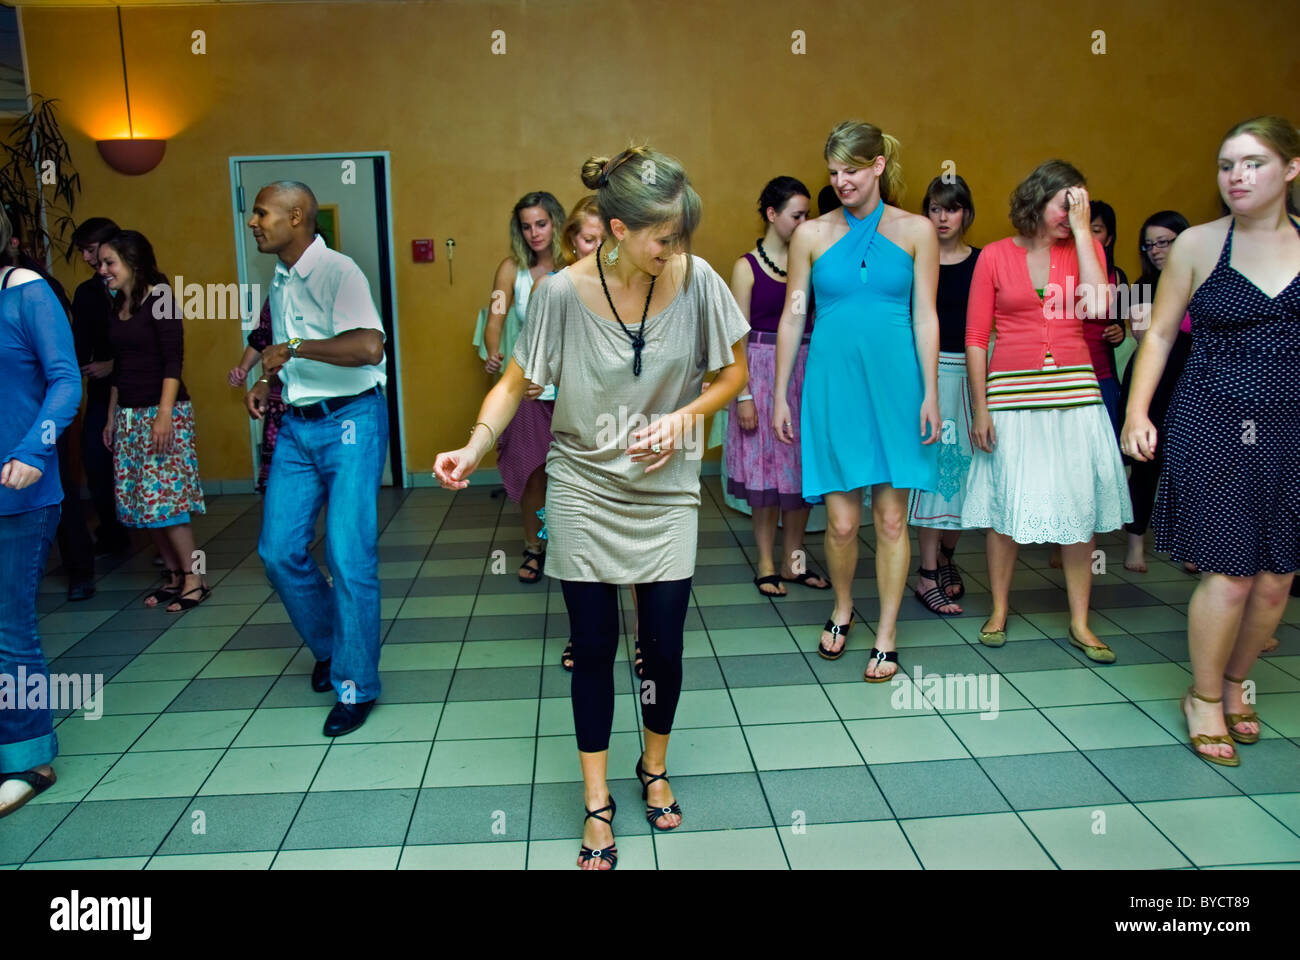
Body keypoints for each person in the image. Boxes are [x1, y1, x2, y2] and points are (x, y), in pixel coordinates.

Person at [435, 145, 749, 870]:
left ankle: (655, 764)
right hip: (583, 485)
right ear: (613, 229)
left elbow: (733, 372)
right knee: (595, 647)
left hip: (666, 490)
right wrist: (475, 446)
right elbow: (515, 384)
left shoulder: (697, 280)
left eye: (680, 235)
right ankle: (597, 799)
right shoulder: (560, 295)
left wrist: (683, 419)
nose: (675, 249)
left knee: (663, 645)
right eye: (662, 236)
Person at [1122, 116, 1300, 767]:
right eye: (1227, 164)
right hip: (1215, 419)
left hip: (1293, 428)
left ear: (1291, 169)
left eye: (1253, 162)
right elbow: (1162, 333)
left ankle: (1234, 682)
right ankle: (1202, 696)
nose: (1237, 176)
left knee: (1277, 580)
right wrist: (1139, 411)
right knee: (1229, 575)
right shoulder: (1199, 245)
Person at [773, 121, 941, 681]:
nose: (840, 181)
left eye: (850, 170)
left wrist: (932, 394)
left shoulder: (918, 230)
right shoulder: (811, 235)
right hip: (831, 385)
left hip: (898, 386)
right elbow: (795, 314)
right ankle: (843, 607)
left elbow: (926, 314)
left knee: (892, 520)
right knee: (843, 524)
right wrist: (780, 393)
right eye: (832, 172)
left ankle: (887, 634)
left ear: (876, 167)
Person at [962, 160, 1131, 662]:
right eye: (1067, 203)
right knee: (1005, 507)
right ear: (1038, 199)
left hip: (1076, 397)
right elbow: (974, 339)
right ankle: (998, 608)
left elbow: (1101, 307)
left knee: (1079, 508)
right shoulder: (994, 256)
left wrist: (1083, 232)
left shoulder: (1087, 249)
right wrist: (980, 408)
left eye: (1083, 204)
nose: (1075, 212)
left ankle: (1081, 619)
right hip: (1011, 397)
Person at [245, 180, 389, 738]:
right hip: (299, 426)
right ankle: (334, 645)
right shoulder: (281, 277)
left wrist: (295, 350)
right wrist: (269, 379)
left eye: (262, 213)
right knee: (279, 551)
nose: (254, 222)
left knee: (349, 554)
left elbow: (369, 347)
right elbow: (287, 351)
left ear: (298, 216)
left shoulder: (338, 271)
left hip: (350, 420)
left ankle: (356, 685)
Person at [0, 208, 81, 819]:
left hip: (19, 491)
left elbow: (65, 381)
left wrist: (34, 447)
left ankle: (28, 755)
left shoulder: (26, 293)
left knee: (9, 626)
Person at [726, 176, 828, 597]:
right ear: (772, 215)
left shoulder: (813, 264)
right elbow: (735, 338)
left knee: (799, 475)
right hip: (760, 373)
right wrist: (745, 395)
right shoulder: (746, 267)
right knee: (764, 477)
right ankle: (766, 562)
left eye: (808, 215)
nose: (805, 223)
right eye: (797, 215)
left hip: (805, 373)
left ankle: (794, 560)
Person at [99, 231, 208, 613]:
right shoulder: (118, 301)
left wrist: (164, 416)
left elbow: (172, 359)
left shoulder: (159, 296)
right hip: (129, 414)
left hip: (163, 411)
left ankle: (196, 577)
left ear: (133, 263)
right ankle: (175, 576)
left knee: (170, 503)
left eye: (109, 263)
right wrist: (113, 414)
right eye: (101, 263)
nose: (102, 270)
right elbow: (121, 365)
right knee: (146, 505)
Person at [477, 192, 567, 584]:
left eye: (541, 224)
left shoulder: (576, 265)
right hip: (528, 387)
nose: (534, 233)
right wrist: (493, 351)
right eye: (526, 226)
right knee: (533, 469)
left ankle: (570, 546)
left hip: (570, 386)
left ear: (556, 224)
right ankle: (534, 548)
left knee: (570, 472)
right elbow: (495, 318)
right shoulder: (511, 269)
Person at [907, 175, 980, 615]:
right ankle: (927, 572)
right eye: (934, 208)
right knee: (932, 474)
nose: (942, 217)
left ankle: (948, 559)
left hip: (971, 378)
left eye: (951, 208)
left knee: (965, 473)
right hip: (929, 377)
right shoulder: (917, 259)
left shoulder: (983, 261)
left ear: (966, 213)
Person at [1118, 210, 1192, 572]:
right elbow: (1146, 338)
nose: (1156, 250)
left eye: (1165, 242)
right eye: (1149, 245)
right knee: (1146, 464)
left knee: (1191, 467)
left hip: (1194, 383)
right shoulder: (1144, 286)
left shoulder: (1206, 283)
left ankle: (1194, 546)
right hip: (1153, 383)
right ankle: (1135, 545)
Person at [70, 218, 130, 557]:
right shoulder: (86, 292)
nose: (88, 259)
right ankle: (113, 532)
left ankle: (165, 537)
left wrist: (113, 365)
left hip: (140, 389)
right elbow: (78, 346)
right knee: (96, 461)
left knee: (147, 466)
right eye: (84, 252)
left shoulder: (152, 288)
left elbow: (166, 350)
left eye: (91, 250)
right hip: (100, 393)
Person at [228, 298, 287, 494]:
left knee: (332, 488)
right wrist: (243, 369)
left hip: (321, 400)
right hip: (280, 402)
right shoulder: (277, 290)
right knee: (276, 485)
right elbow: (260, 336)